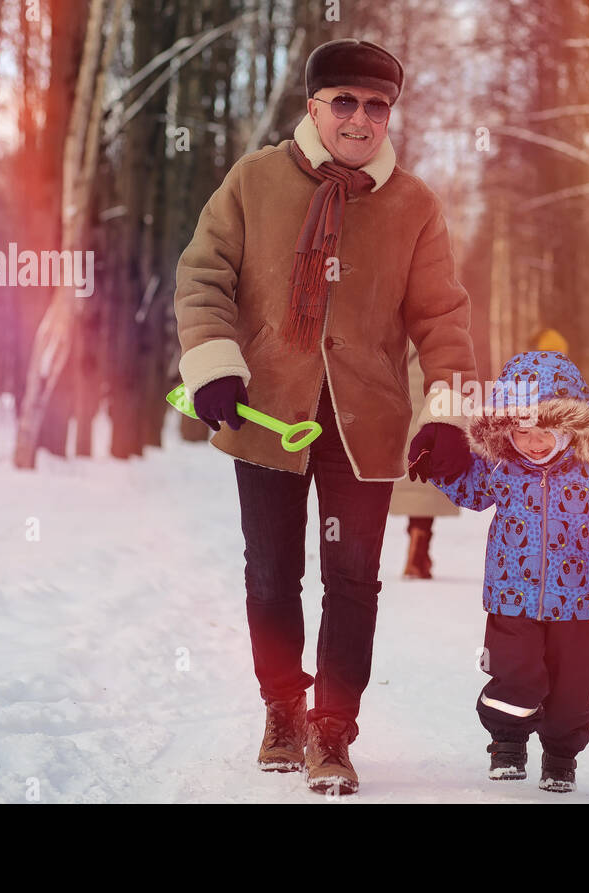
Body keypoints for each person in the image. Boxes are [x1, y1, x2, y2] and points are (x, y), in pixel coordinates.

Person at [172, 38, 478, 796]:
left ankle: (333, 727)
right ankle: (283, 706)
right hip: (269, 413)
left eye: (377, 106)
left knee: (352, 580)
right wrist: (214, 360)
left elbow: (443, 317)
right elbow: (203, 272)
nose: (362, 118)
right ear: (314, 107)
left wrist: (446, 411)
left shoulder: (413, 205)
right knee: (272, 571)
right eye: (345, 101)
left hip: (365, 426)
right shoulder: (255, 181)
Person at [421, 350, 589, 792]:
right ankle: (507, 744)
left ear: (570, 424)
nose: (533, 442)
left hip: (581, 602)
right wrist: (443, 462)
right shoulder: (503, 463)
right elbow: (471, 490)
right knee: (516, 676)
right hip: (512, 597)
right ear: (508, 427)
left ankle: (560, 755)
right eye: (523, 430)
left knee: (573, 691)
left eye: (546, 430)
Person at [389, 341, 460, 579]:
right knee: (426, 488)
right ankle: (419, 549)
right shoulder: (437, 332)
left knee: (412, 488)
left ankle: (415, 548)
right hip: (433, 413)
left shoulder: (394, 331)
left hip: (402, 414)